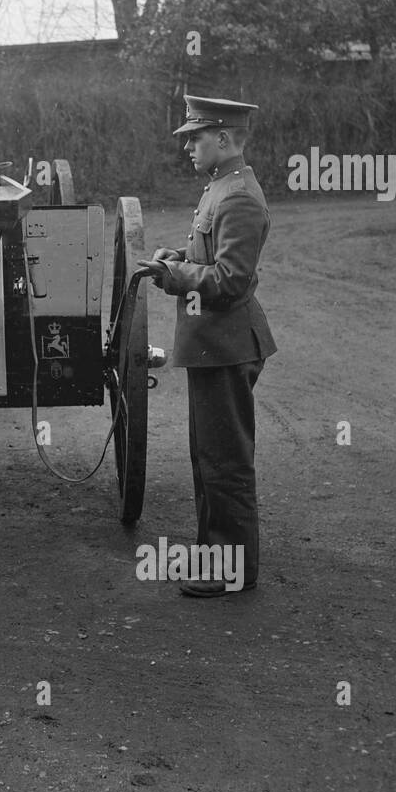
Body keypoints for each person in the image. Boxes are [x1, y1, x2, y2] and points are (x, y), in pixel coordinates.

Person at [139, 96, 277, 598]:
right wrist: (178, 257)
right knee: (207, 458)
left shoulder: (238, 196)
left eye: (195, 138)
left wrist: (173, 275)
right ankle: (213, 557)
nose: (188, 147)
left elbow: (231, 280)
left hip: (228, 346)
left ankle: (232, 571)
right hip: (213, 347)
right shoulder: (222, 186)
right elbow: (210, 255)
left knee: (225, 462)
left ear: (223, 139)